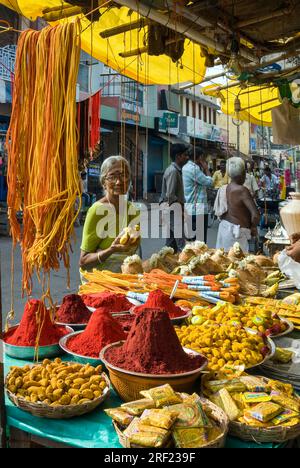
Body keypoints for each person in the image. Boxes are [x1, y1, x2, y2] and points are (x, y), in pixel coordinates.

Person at [79, 156, 139, 279]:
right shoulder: (97, 210)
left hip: (125, 281)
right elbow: (83, 262)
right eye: (112, 177)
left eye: (123, 175)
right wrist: (111, 250)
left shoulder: (134, 211)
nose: (118, 182)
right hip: (100, 284)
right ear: (103, 182)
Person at [214, 157, 260, 253]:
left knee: (224, 263)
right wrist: (253, 227)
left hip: (224, 230)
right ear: (243, 174)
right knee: (238, 265)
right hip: (236, 235)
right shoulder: (242, 190)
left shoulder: (225, 188)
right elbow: (255, 215)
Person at [159, 143, 189, 253]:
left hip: (172, 209)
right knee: (182, 245)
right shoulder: (173, 171)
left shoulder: (176, 170)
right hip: (172, 210)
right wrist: (180, 209)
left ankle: (164, 265)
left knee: (170, 245)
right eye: (185, 155)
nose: (187, 157)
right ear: (178, 156)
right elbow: (170, 195)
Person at [182, 146, 213, 243]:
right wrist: (206, 168)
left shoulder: (185, 167)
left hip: (189, 207)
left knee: (191, 240)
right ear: (199, 157)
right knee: (200, 242)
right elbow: (209, 182)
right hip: (198, 209)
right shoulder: (194, 169)